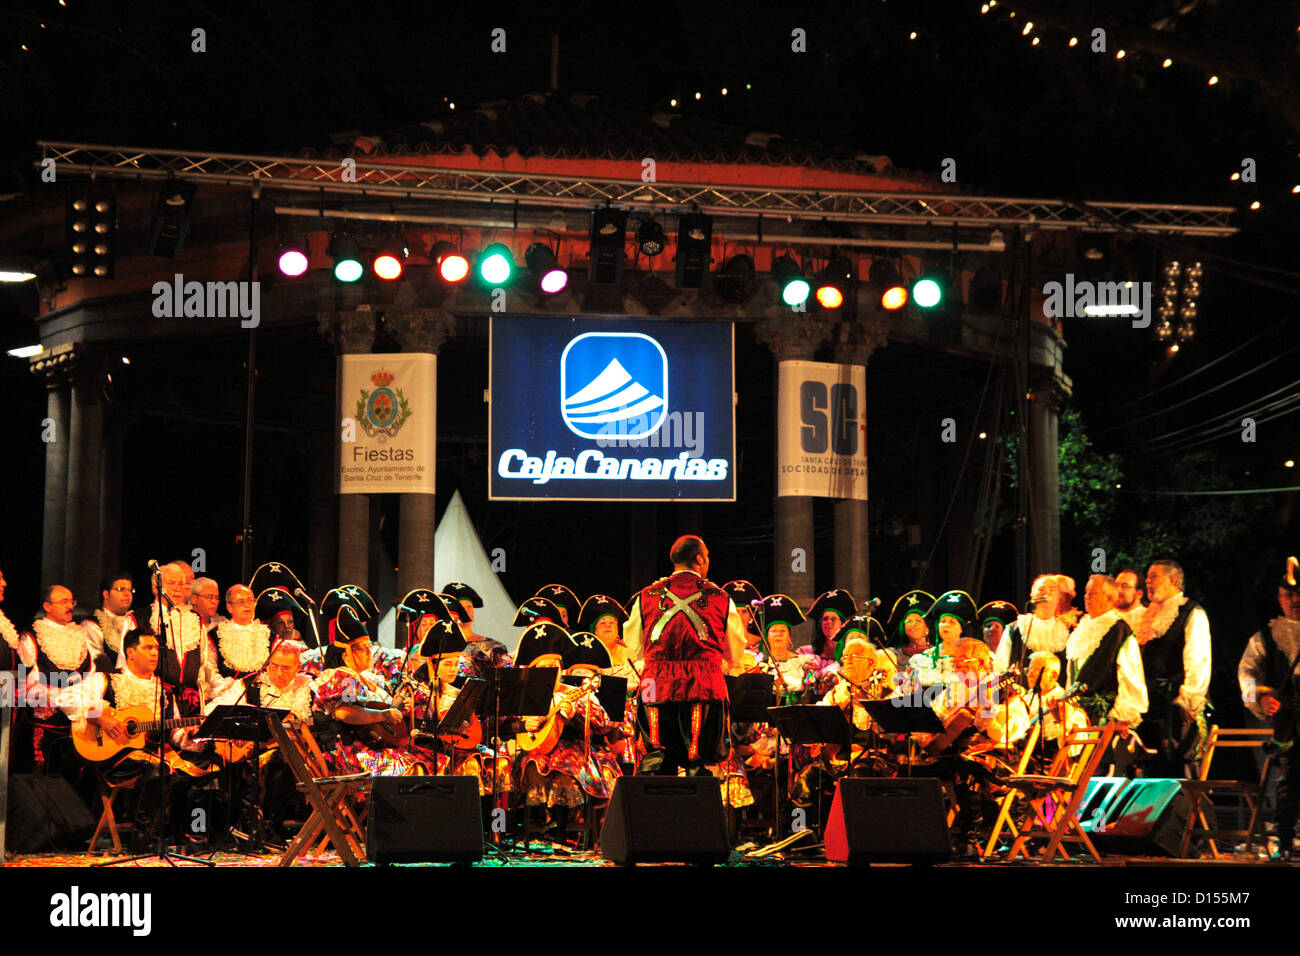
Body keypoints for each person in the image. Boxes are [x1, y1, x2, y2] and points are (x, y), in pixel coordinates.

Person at [64, 627, 219, 848]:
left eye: (156, 648)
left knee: (208, 767)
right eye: (148, 648)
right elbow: (67, 698)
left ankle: (194, 834)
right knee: (160, 770)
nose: (154, 653)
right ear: (131, 652)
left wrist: (194, 736)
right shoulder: (105, 680)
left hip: (156, 754)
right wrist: (101, 718)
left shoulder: (163, 690)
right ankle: (142, 838)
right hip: (118, 757)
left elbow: (174, 732)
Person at [623, 535, 746, 776]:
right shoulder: (720, 598)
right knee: (699, 763)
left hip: (653, 685)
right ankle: (696, 808)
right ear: (699, 559)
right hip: (705, 686)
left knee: (656, 761)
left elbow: (633, 647)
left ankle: (655, 807)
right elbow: (734, 652)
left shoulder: (646, 595)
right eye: (707, 556)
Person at [515, 623, 622, 843]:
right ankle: (541, 829)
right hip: (537, 753)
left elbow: (602, 726)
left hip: (577, 750)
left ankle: (566, 833)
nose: (549, 672)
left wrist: (573, 715)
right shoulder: (524, 696)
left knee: (567, 769)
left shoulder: (576, 694)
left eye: (553, 666)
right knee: (533, 767)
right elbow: (502, 727)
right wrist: (523, 726)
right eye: (543, 667)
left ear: (562, 670)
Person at [1237, 558, 1300, 859]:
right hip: (1289, 727)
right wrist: (1260, 698)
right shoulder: (1266, 638)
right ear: (1279, 598)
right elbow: (1247, 675)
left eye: (1299, 593)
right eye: (1288, 595)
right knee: (1288, 783)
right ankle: (1285, 843)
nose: (1295, 599)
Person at [1134, 559, 1211, 775]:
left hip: (1178, 708)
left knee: (1181, 770)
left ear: (1173, 580)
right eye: (1147, 578)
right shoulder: (1147, 615)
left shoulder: (1190, 612)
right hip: (1152, 706)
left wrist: (1190, 699)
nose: (1148, 582)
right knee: (1150, 769)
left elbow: (1198, 657)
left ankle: (1191, 809)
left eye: (1154, 577)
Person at [15, 584, 96, 775]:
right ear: (47, 606)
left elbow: (91, 674)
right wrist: (64, 698)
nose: (70, 606)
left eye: (71, 601)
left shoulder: (80, 634)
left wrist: (81, 701)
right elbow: (29, 683)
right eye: (63, 602)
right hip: (45, 726)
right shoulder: (32, 636)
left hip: (78, 725)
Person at [1065, 574, 1147, 734]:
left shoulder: (1119, 630)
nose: (1086, 597)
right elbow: (1072, 674)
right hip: (1076, 717)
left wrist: (1123, 717)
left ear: (1109, 598)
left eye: (1093, 593)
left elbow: (1130, 676)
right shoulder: (1081, 629)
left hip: (1104, 718)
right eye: (1086, 592)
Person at [993, 574, 1071, 674]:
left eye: (1052, 589)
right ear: (1032, 595)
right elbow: (1000, 667)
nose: (1046, 594)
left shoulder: (1066, 630)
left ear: (1058, 597)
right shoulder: (1017, 627)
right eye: (1041, 589)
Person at [442, 581, 513, 669]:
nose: (466, 611)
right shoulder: (443, 645)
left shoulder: (495, 647)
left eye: (469, 606)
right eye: (461, 607)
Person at [211, 584, 273, 683]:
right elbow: (211, 673)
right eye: (241, 602)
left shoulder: (269, 635)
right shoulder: (216, 634)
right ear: (229, 607)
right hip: (227, 694)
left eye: (250, 600)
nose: (247, 605)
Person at [84, 571, 137, 663]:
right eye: (121, 589)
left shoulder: (136, 621)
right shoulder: (92, 625)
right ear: (106, 594)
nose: (127, 594)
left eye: (130, 590)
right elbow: (96, 662)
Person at [883, 590, 935, 672]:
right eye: (909, 621)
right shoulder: (894, 655)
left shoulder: (936, 654)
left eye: (918, 621)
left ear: (927, 628)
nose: (913, 624)